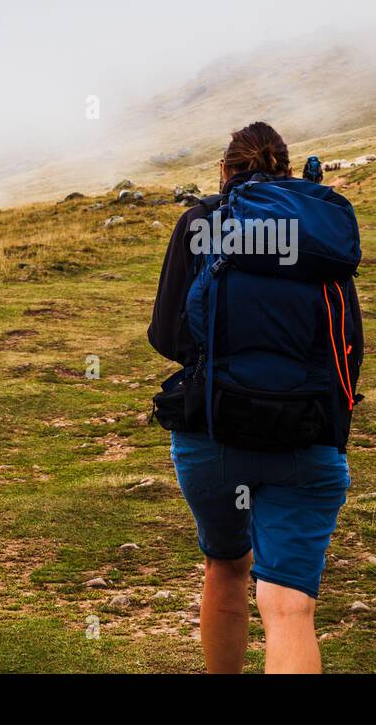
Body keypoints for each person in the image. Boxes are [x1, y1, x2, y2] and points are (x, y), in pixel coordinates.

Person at [148, 121, 363, 674]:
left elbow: (168, 336)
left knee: (226, 567)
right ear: (289, 173)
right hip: (307, 435)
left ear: (225, 171)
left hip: (212, 432)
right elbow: (347, 345)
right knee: (289, 606)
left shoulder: (201, 222)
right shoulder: (319, 232)